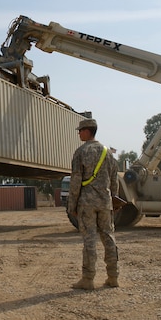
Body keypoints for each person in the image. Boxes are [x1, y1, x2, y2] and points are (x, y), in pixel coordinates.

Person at [67, 118, 120, 290]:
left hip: (87, 203)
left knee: (89, 240)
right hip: (105, 202)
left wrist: (72, 205)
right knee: (109, 238)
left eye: (80, 130)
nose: (78, 133)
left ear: (87, 131)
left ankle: (88, 279)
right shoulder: (108, 153)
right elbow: (114, 180)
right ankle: (113, 277)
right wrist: (113, 199)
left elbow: (75, 181)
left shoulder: (81, 152)